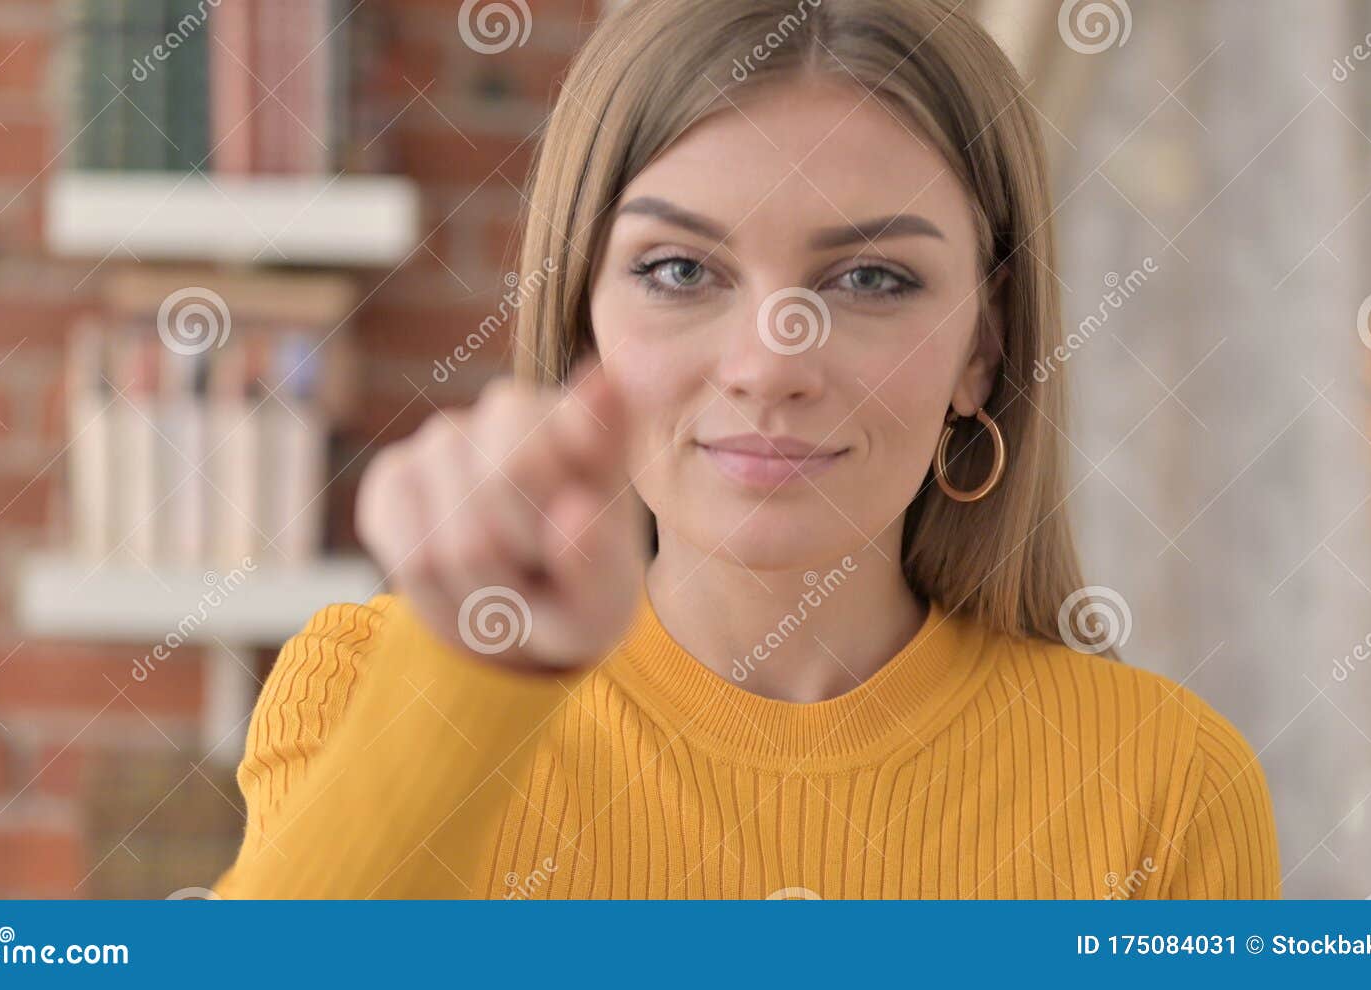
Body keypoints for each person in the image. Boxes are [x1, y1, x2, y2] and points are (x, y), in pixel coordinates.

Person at [213, 0, 1280, 899]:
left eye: (870, 280)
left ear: (982, 350)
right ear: (582, 319)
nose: (772, 365)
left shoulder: (1166, 789)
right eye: (680, 270)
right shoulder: (367, 687)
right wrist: (477, 685)